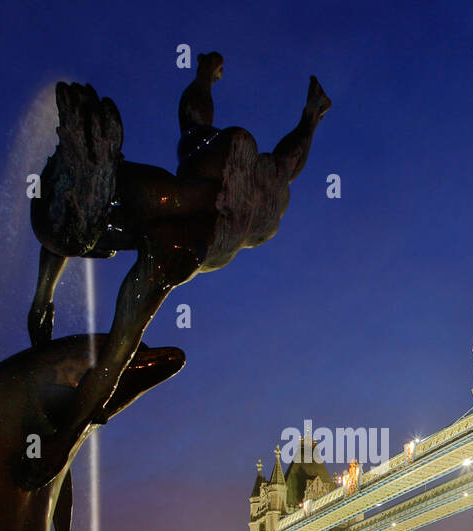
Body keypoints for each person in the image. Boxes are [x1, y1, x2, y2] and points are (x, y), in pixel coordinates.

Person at [23, 52, 331, 487]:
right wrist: (42, 298)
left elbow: (114, 359)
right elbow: (64, 225)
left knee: (276, 169)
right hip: (201, 171)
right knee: (195, 132)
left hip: (229, 219)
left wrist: (64, 441)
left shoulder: (169, 252)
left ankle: (313, 114)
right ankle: (214, 74)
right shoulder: (115, 184)